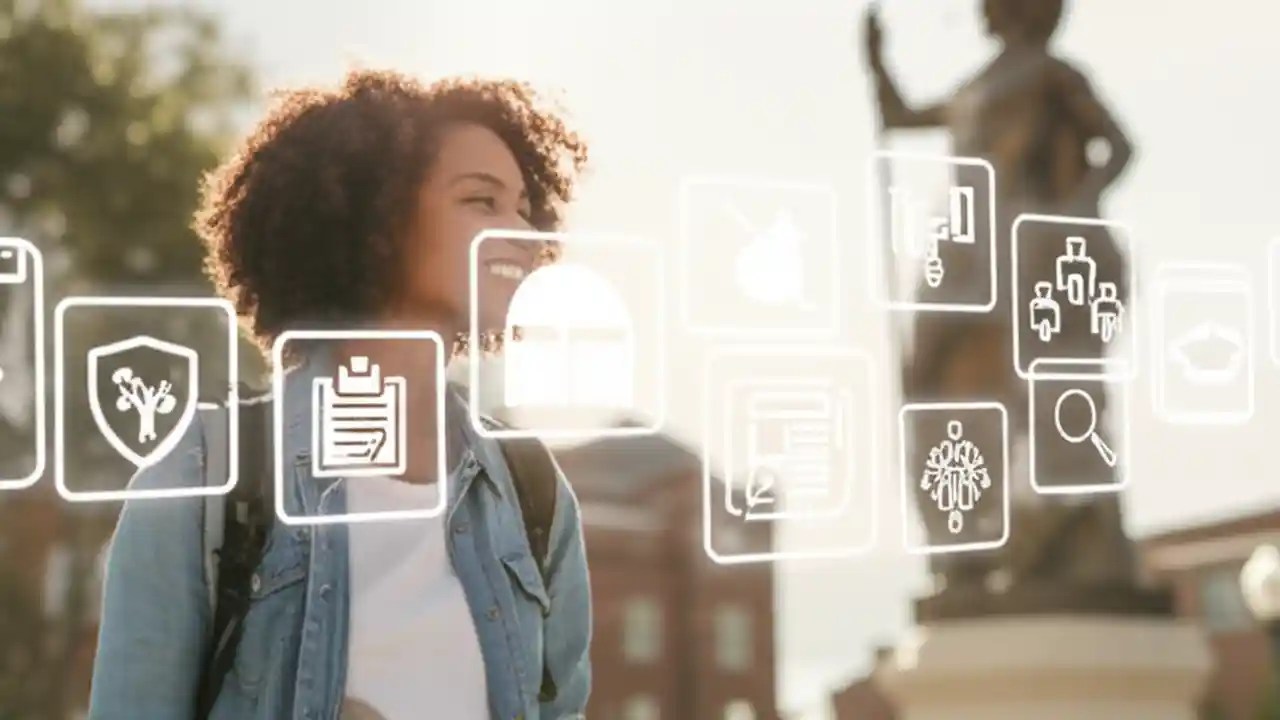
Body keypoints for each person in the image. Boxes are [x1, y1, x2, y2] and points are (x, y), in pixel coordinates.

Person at [87, 69, 592, 720]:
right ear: (375, 216)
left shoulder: (534, 494)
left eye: (524, 210)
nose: (516, 235)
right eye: (481, 201)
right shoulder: (208, 476)